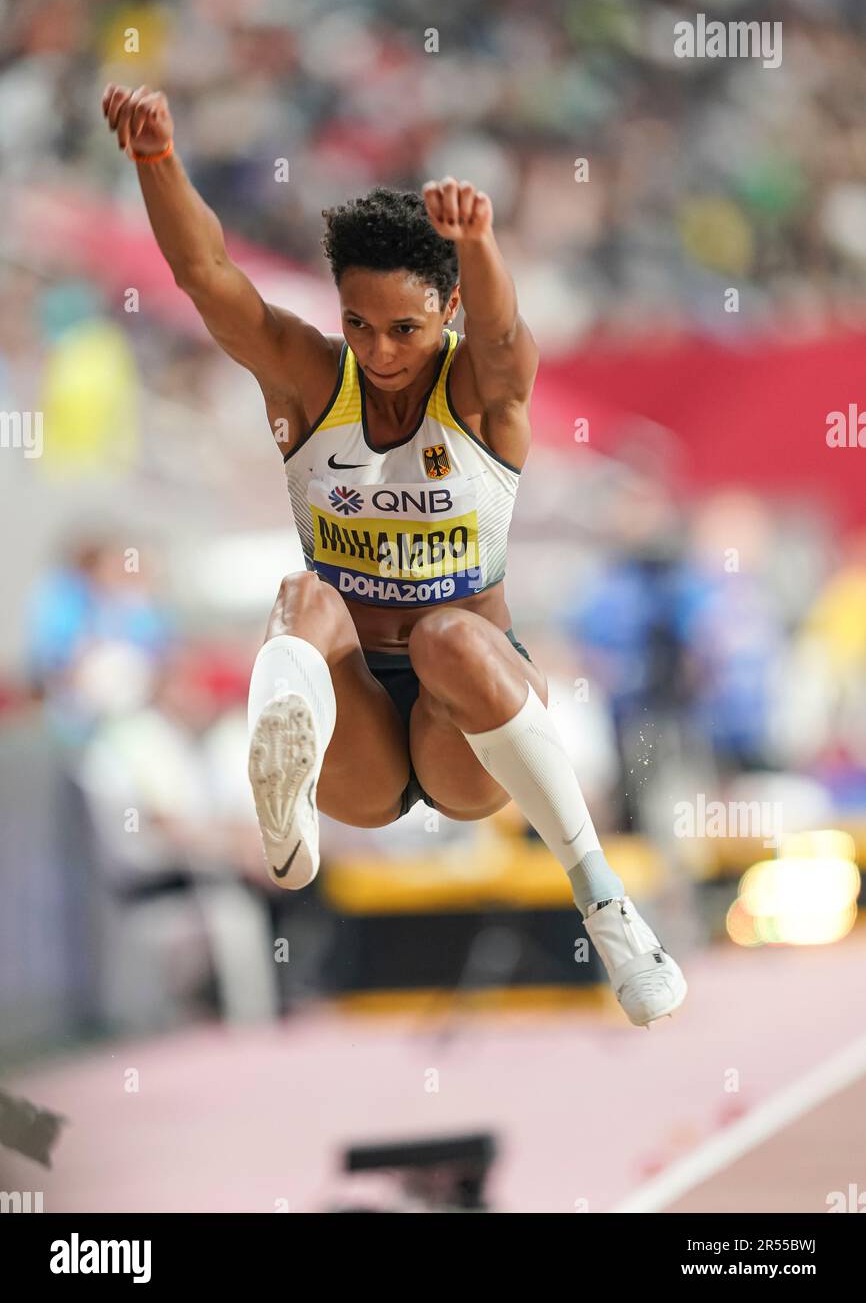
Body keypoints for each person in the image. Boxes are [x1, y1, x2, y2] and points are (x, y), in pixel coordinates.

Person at [101, 82, 687, 1026]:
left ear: (446, 309)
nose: (379, 352)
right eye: (360, 325)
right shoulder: (307, 378)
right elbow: (208, 276)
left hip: (471, 726)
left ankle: (606, 900)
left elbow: (501, 334)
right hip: (356, 729)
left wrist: (482, 242)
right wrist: (157, 160)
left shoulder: (483, 395)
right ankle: (282, 805)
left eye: (406, 329)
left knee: (451, 635)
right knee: (302, 596)